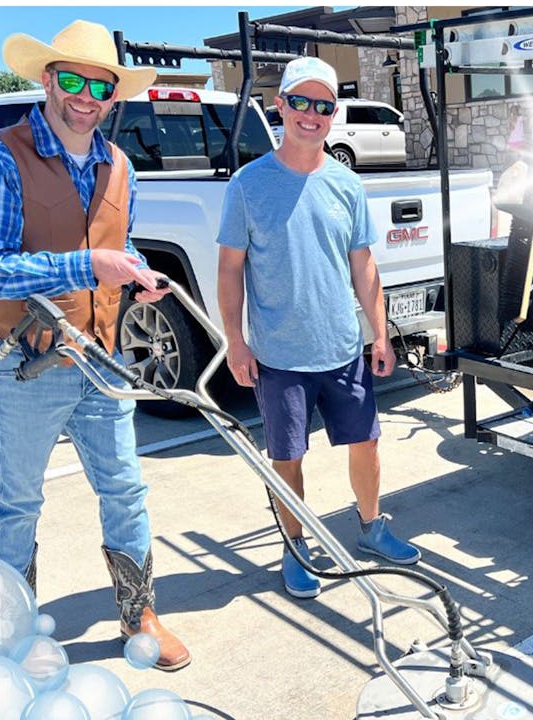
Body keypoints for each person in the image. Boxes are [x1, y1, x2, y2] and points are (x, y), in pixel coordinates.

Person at [0, 19, 190, 671]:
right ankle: (10, 632)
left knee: (126, 489)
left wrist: (139, 272)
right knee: (20, 495)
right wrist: (91, 265)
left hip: (102, 358)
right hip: (22, 362)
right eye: (73, 79)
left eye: (102, 84)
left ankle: (139, 614)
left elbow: (118, 245)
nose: (86, 95)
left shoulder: (120, 166)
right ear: (46, 80)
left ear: (115, 96)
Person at [216, 57, 422, 600]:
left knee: (367, 444)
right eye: (300, 102)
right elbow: (230, 268)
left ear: (334, 114)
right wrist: (235, 341)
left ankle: (372, 527)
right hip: (279, 356)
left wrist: (380, 334)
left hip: (343, 348)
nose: (311, 115)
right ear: (279, 105)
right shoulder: (247, 185)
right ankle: (295, 546)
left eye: (323, 105)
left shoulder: (346, 185)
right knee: (288, 458)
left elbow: (364, 264)